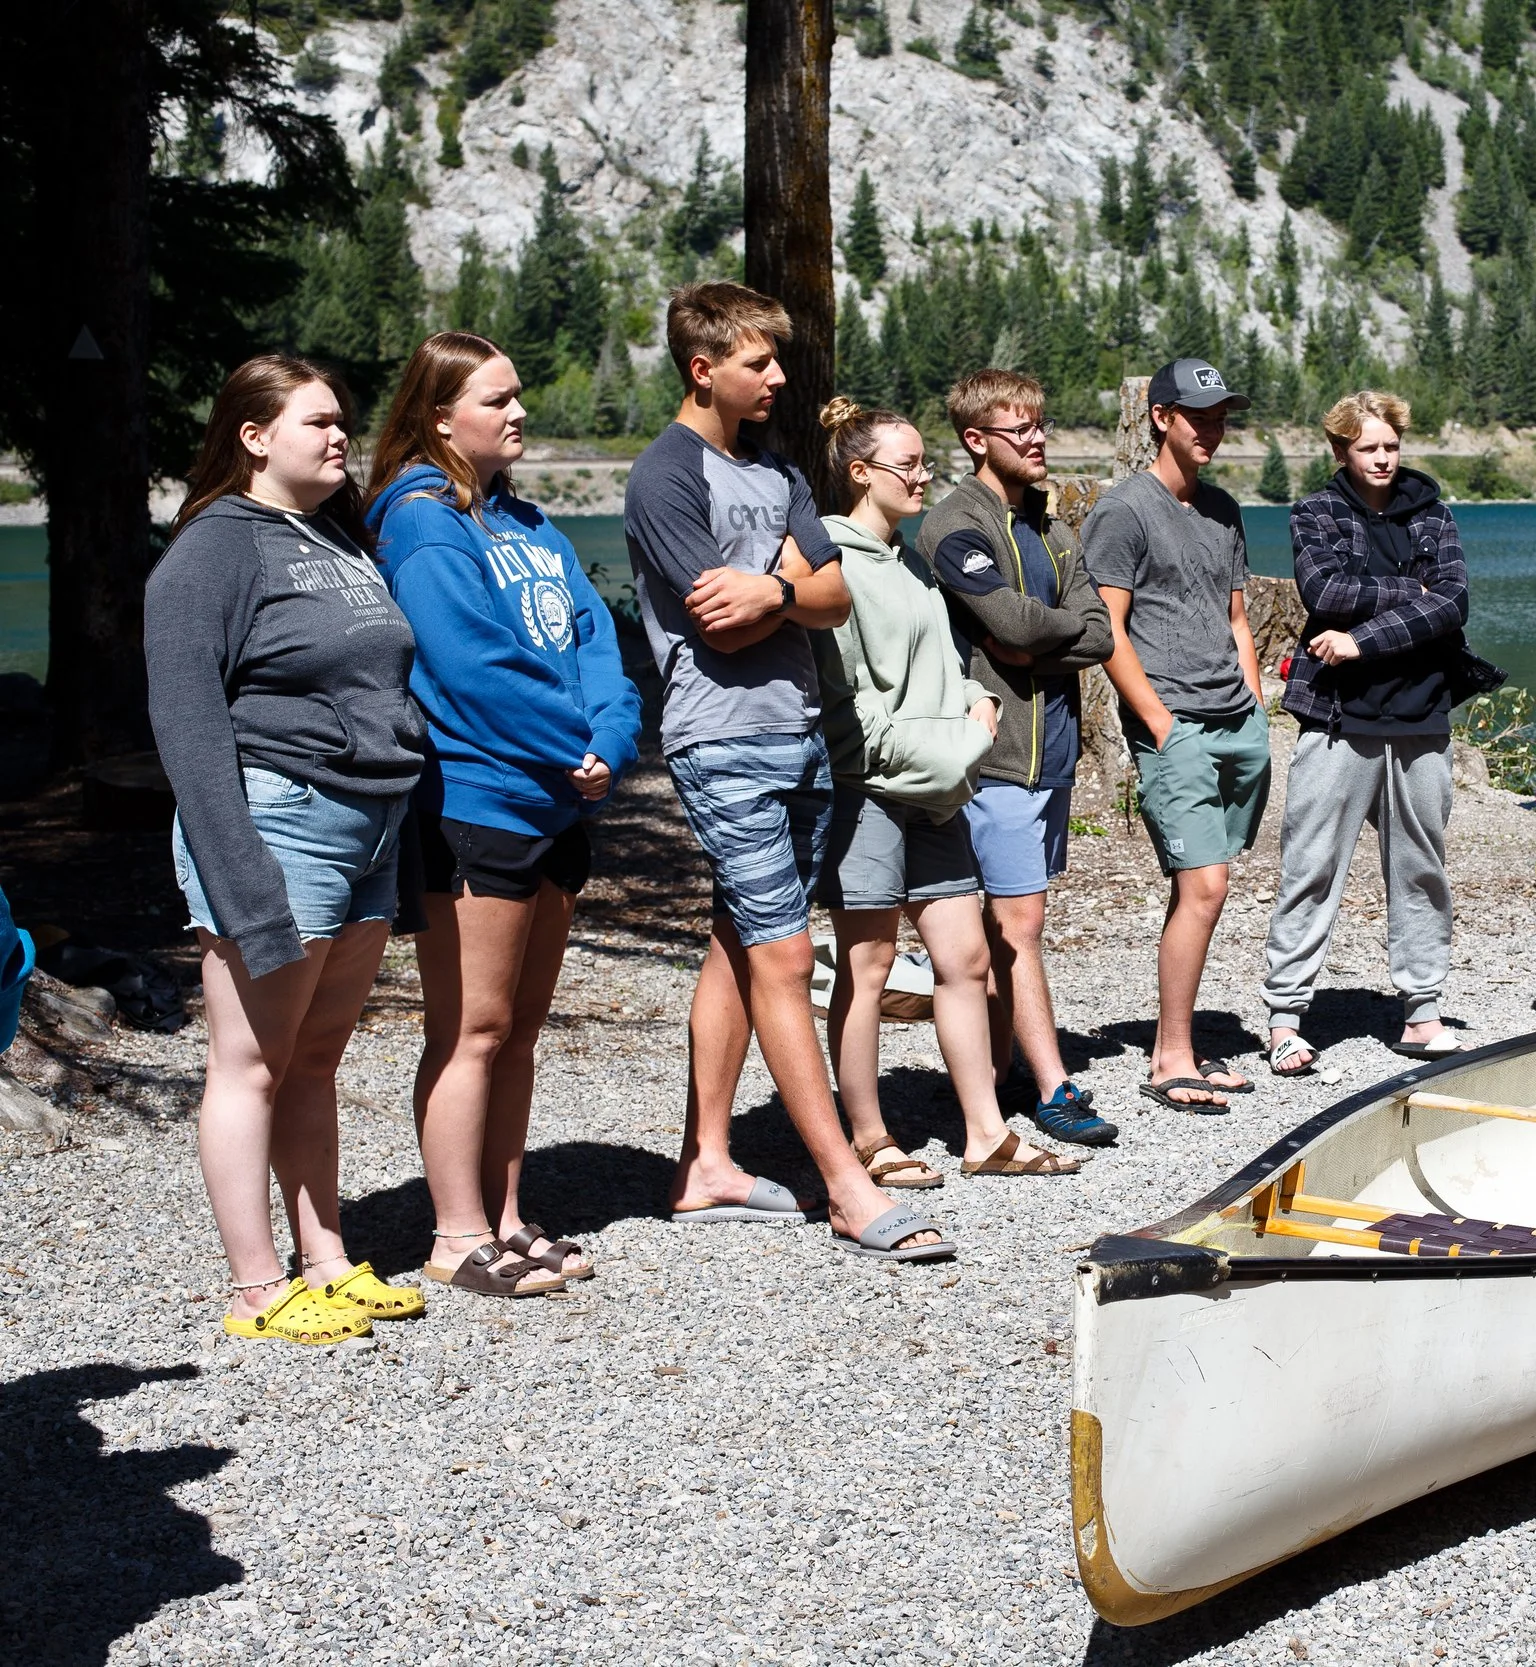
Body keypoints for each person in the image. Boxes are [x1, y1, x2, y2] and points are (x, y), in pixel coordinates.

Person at [624, 280, 947, 1262]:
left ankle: (706, 1165)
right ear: (702, 368)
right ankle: (847, 1184)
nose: (777, 378)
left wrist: (771, 586)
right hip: (719, 740)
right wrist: (784, 585)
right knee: (784, 955)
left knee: (740, 939)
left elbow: (834, 595)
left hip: (798, 734)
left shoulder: (777, 468)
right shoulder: (664, 476)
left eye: (777, 360)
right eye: (757, 362)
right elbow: (715, 624)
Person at [145, 355, 433, 1343]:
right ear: (254, 436)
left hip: (370, 826)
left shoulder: (334, 536)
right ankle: (257, 1289)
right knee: (250, 1063)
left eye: (342, 419)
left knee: (312, 1058)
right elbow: (188, 725)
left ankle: (328, 1262)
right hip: (281, 825)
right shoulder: (213, 550)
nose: (341, 433)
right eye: (317, 420)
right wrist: (242, 877)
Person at [367, 331, 643, 1295]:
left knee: (520, 1029)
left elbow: (595, 639)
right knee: (471, 1027)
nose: (519, 411)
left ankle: (510, 1214)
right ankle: (456, 1234)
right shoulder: (421, 522)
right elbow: (470, 664)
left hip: (558, 801)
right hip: (478, 802)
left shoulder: (528, 521)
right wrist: (575, 740)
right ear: (441, 417)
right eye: (497, 399)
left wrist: (612, 736)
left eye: (518, 394)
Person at [813, 397, 1083, 1183]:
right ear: (860, 472)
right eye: (908, 465)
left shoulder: (908, 562)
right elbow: (850, 707)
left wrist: (973, 698)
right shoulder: (834, 566)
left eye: (924, 462)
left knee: (964, 958)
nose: (924, 476)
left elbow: (941, 667)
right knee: (867, 964)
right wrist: (963, 740)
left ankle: (985, 1132)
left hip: (934, 787)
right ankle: (869, 1136)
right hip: (871, 790)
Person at [920, 368, 1118, 1146]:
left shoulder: (1049, 523)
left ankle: (996, 1068)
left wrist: (1035, 641)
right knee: (1019, 922)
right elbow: (1010, 622)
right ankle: (1052, 1087)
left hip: (1052, 753)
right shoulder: (952, 525)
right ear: (977, 439)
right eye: (1021, 429)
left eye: (1041, 425)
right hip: (994, 756)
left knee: (1011, 925)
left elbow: (1099, 632)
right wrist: (1035, 630)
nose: (1038, 439)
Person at [1083, 357, 1271, 1113]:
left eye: (1221, 417)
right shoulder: (1124, 511)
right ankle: (1170, 1059)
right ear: (1161, 417)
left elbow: (1236, 617)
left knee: (1204, 884)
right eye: (1199, 417)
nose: (1213, 430)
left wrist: (1254, 704)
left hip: (1236, 721)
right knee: (1205, 885)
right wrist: (1160, 724)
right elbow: (1108, 630)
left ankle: (1178, 1040)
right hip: (1178, 724)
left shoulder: (1223, 509)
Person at [1262, 390, 1469, 1075]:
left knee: (1420, 868)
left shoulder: (1433, 513)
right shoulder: (1315, 512)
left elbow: (1455, 603)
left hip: (1421, 712)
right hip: (1338, 714)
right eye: (1367, 447)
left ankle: (1422, 1009)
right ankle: (1286, 1017)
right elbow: (1325, 593)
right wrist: (1412, 594)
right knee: (1312, 864)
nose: (1382, 458)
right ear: (1340, 450)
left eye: (1390, 446)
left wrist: (1360, 640)